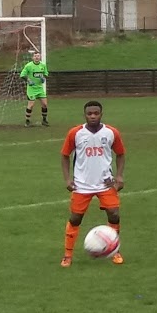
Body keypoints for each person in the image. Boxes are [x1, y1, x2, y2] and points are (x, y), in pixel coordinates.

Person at [59, 100, 125, 266]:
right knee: (75, 218)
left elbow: (120, 154)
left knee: (114, 214)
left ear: (101, 114)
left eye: (96, 113)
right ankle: (67, 255)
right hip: (82, 185)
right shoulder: (75, 133)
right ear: (85, 115)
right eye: (89, 114)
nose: (93, 116)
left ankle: (114, 250)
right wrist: (67, 179)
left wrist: (119, 176)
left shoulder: (111, 132)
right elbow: (65, 155)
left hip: (106, 183)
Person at [20, 51, 51, 127]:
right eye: (35, 56)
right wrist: (28, 80)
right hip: (31, 89)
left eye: (38, 56)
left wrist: (43, 78)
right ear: (32, 57)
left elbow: (46, 74)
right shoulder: (29, 66)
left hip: (40, 88)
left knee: (45, 104)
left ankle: (44, 120)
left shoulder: (43, 65)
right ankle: (27, 121)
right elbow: (22, 75)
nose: (37, 57)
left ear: (40, 57)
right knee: (31, 105)